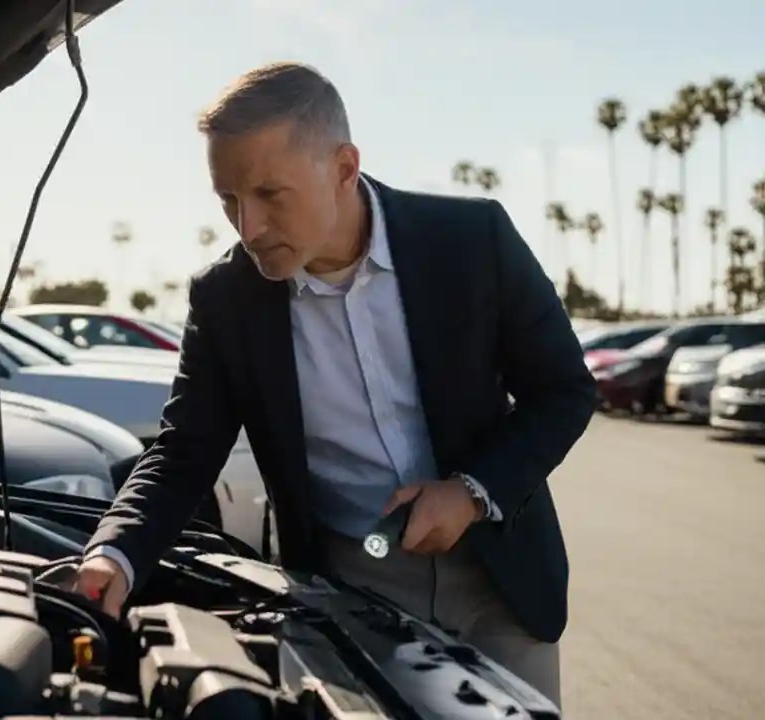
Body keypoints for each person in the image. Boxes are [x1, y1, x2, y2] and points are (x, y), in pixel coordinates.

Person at [72, 61, 595, 707]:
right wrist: (114, 555)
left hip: (502, 585)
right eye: (229, 200)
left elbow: (565, 390)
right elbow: (184, 451)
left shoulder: (471, 240)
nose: (249, 227)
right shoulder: (225, 298)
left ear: (344, 167)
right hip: (349, 590)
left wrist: (470, 492)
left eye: (270, 194)